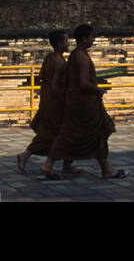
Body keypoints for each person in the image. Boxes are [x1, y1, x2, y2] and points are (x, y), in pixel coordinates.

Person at [40, 24, 126, 180]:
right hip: (85, 103)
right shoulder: (81, 57)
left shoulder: (75, 55)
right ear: (85, 38)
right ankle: (105, 169)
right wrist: (98, 90)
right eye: (91, 37)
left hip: (78, 101)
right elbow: (84, 83)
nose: (93, 40)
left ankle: (54, 163)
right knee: (94, 132)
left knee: (75, 133)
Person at [17, 30, 80, 174]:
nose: (68, 43)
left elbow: (43, 79)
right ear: (59, 43)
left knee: (57, 133)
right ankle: (27, 155)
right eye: (65, 41)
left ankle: (67, 163)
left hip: (48, 101)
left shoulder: (51, 58)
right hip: (56, 104)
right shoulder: (58, 62)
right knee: (57, 135)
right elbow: (56, 86)